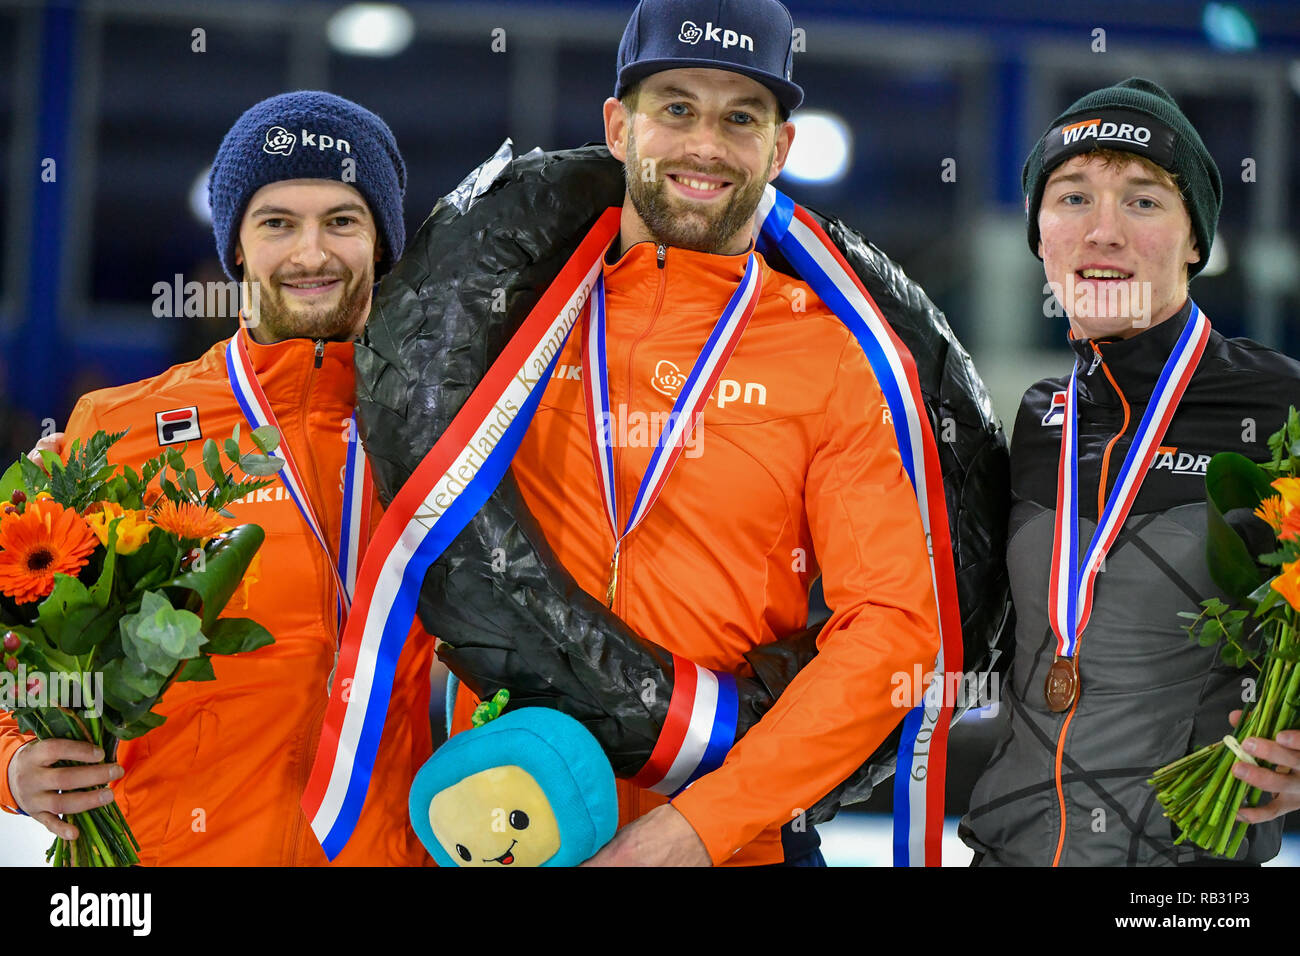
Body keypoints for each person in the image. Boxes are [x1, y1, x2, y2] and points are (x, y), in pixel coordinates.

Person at [444, 0, 941, 867]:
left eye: (740, 117)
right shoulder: (511, 320)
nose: (705, 145)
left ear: (779, 149)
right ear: (618, 126)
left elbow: (894, 628)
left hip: (730, 846)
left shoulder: (833, 356)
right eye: (675, 107)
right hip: (500, 830)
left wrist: (695, 830)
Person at [1, 91, 437, 865]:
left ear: (382, 244)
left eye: (342, 220)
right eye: (278, 223)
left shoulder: (445, 434)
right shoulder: (115, 429)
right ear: (236, 245)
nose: (311, 254)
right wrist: (12, 761)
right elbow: (17, 645)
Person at [961, 77, 1300, 866]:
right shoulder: (1042, 418)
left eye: (1143, 201)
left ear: (1194, 241)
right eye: (1073, 198)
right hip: (1003, 851)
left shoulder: (1281, 404)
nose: (1103, 231)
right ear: (1040, 237)